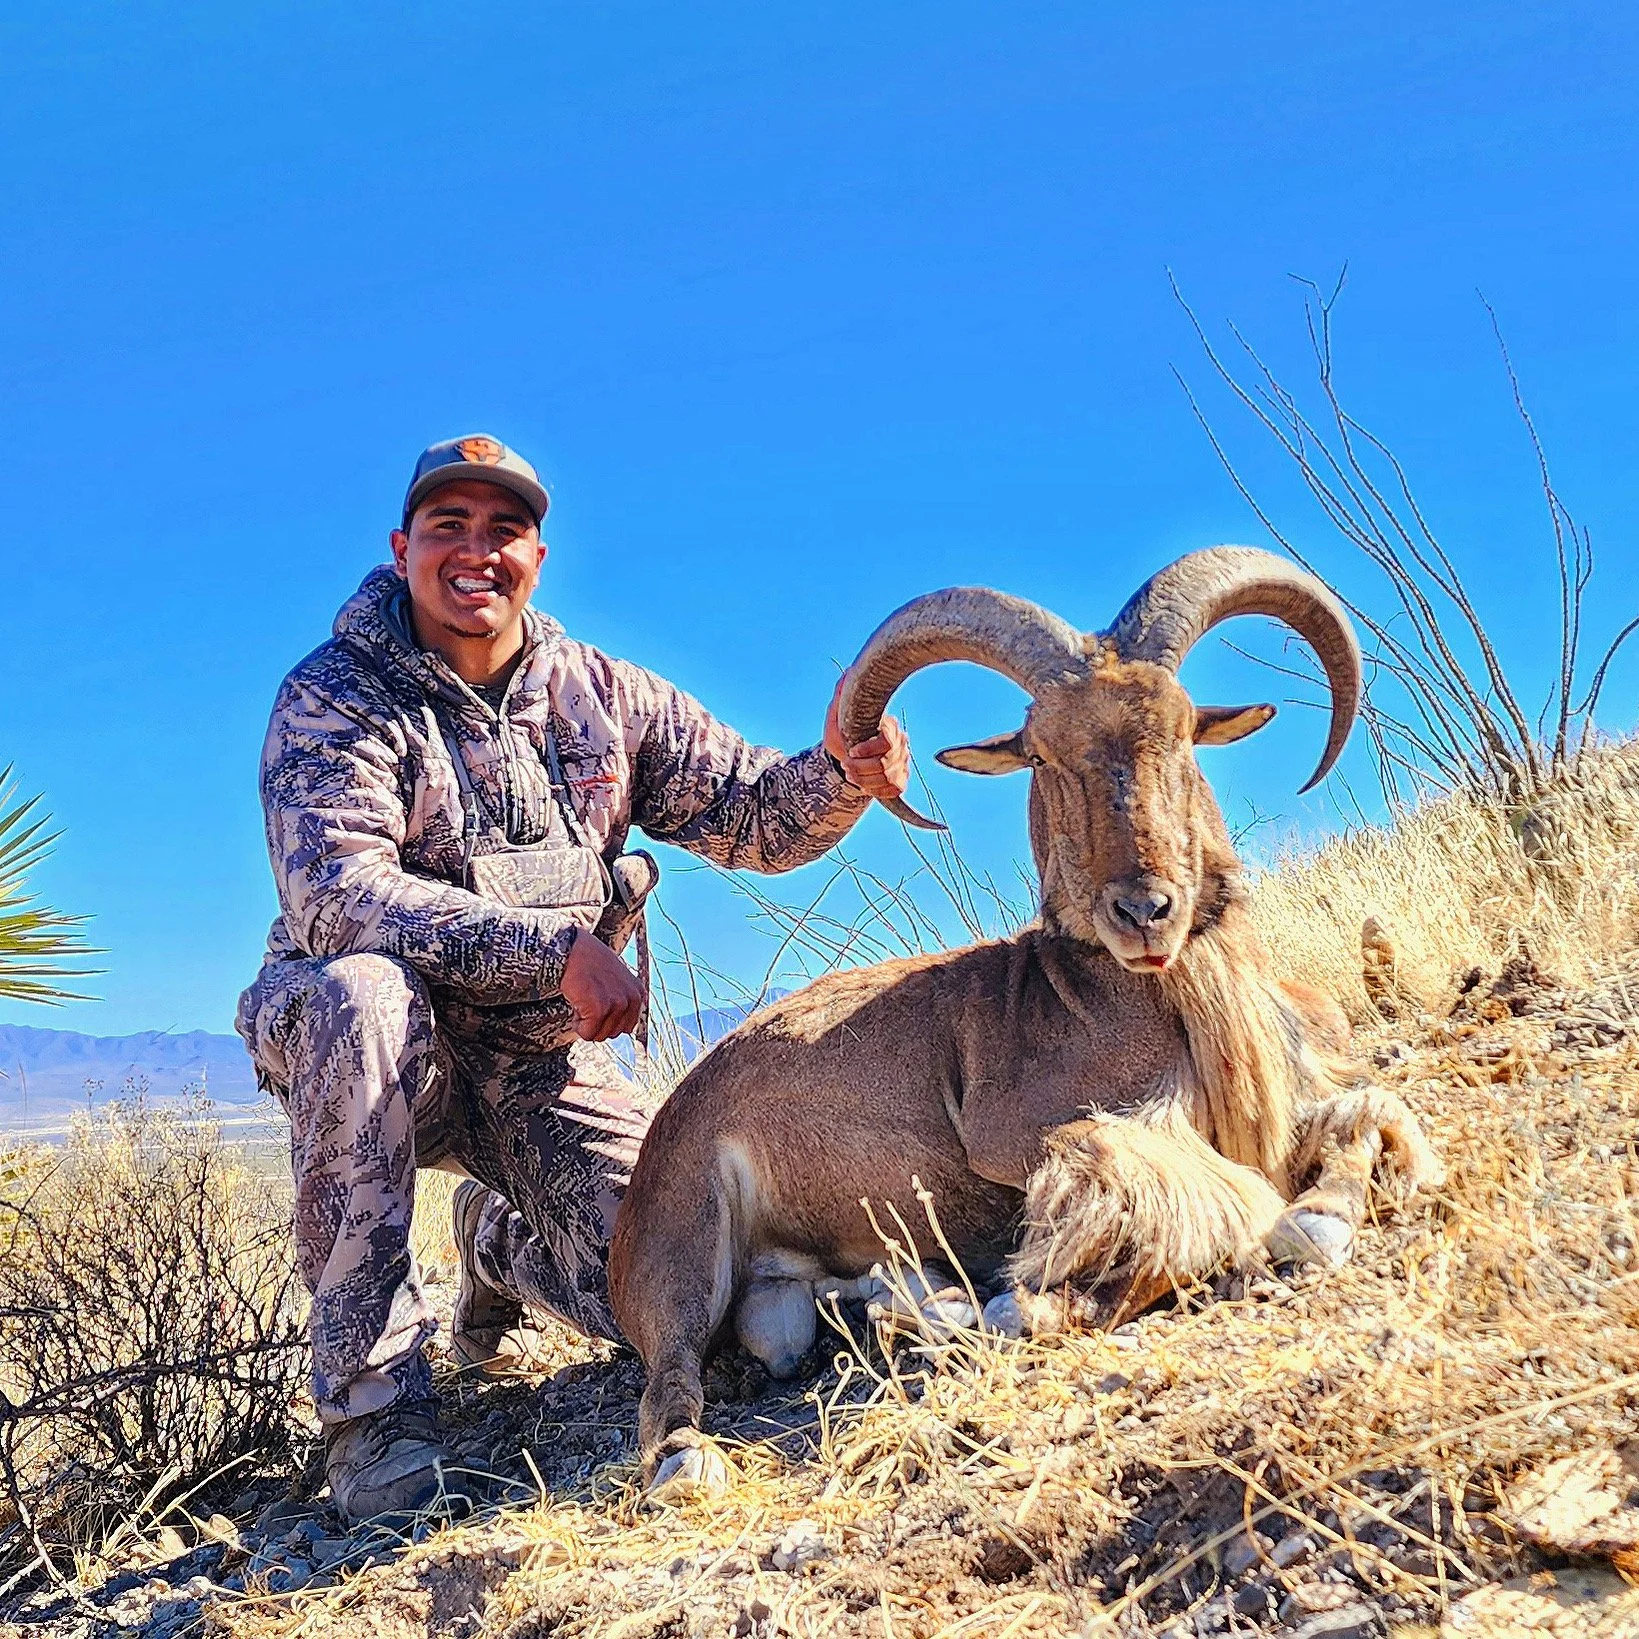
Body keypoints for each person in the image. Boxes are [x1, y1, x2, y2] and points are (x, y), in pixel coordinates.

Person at [236, 435, 910, 1523]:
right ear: (402, 546)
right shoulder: (334, 697)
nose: (476, 551)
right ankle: (375, 1413)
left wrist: (840, 770)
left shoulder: (601, 693)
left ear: (537, 555)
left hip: (537, 1059)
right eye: (447, 527)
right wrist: (551, 948)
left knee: (688, 1293)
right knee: (362, 993)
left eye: (501, 529)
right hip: (370, 1051)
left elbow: (750, 814)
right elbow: (337, 897)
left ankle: (497, 1247)